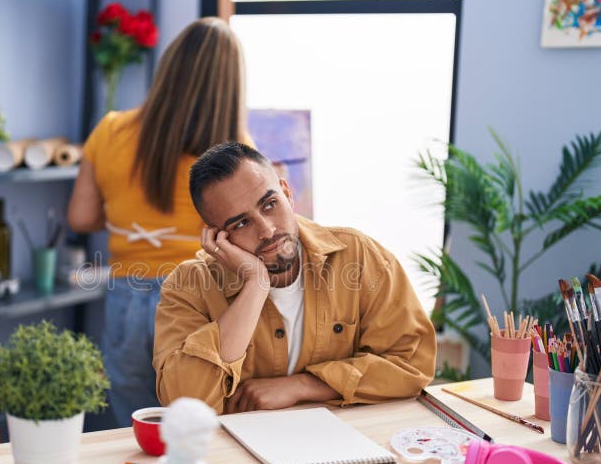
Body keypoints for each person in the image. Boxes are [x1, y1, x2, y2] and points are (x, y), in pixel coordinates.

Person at [153, 142, 436, 414]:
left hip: (342, 441)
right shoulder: (189, 286)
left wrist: (304, 385)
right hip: (237, 454)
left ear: (287, 193)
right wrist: (256, 285)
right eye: (241, 223)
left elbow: (412, 366)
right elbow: (185, 405)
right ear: (217, 236)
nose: (267, 230)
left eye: (269, 204)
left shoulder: (358, 256)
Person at [67, 18, 254, 427]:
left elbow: (81, 217)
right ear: (231, 85)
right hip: (197, 298)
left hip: (126, 295)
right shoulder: (237, 153)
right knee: (196, 421)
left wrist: (129, 216)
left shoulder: (111, 129)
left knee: (132, 423)